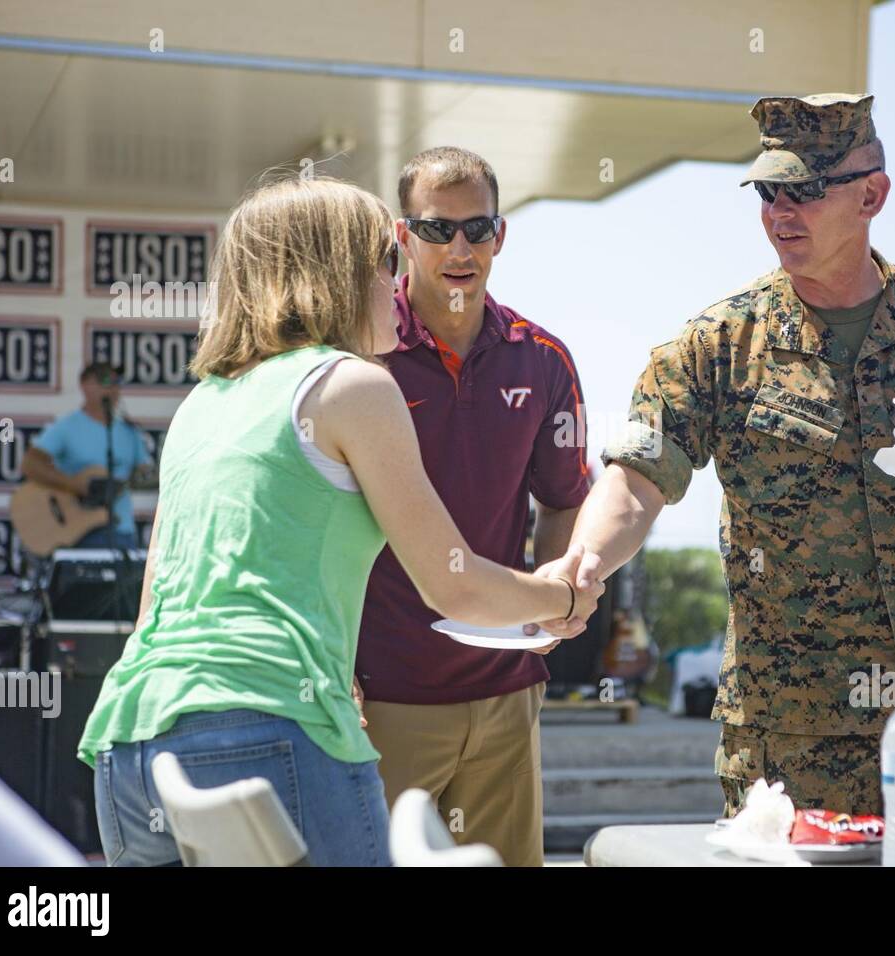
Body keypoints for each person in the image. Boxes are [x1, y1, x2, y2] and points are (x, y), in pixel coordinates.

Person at [76, 175, 602, 866]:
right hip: (267, 730)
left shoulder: (202, 404)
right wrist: (562, 597)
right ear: (337, 273)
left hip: (132, 743)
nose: (399, 277)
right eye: (387, 257)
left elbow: (156, 608)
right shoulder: (352, 386)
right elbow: (454, 585)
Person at [553, 92, 895, 817]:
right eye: (769, 193)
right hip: (792, 730)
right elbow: (638, 478)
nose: (781, 214)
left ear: (871, 195)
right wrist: (586, 561)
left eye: (808, 192)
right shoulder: (720, 344)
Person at [357, 147, 590, 867]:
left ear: (501, 234)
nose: (459, 248)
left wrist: (556, 590)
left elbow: (563, 499)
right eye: (436, 230)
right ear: (402, 238)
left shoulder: (543, 359)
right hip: (382, 697)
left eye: (477, 228)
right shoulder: (360, 359)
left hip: (506, 694)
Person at [22, 362, 154, 550]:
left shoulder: (130, 431)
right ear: (85, 385)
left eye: (116, 381)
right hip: (76, 531)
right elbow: (30, 464)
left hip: (122, 530)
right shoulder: (66, 427)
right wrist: (75, 484)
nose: (112, 387)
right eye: (105, 380)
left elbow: (143, 475)